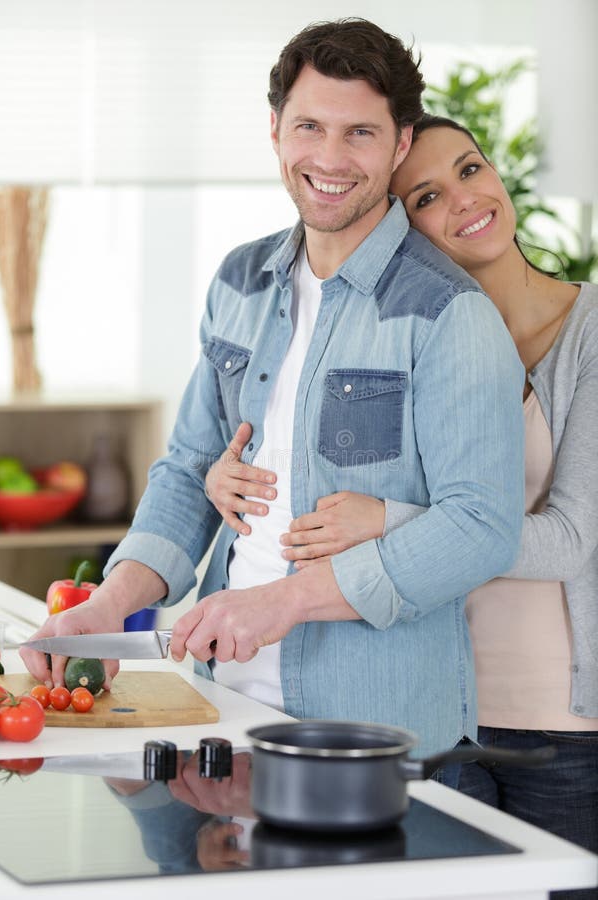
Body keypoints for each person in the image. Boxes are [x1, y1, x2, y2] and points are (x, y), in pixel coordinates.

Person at [20, 22, 525, 762]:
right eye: (308, 126)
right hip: (220, 700)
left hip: (377, 733)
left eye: (359, 132)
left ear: (400, 144)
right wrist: (107, 604)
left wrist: (282, 602)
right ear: (275, 129)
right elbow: (189, 469)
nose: (328, 157)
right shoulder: (240, 281)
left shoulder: (449, 313)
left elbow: (481, 525)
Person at [210, 115, 597, 888]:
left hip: (562, 725)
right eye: (426, 195)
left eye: (471, 169)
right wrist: (228, 475)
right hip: (431, 712)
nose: (464, 200)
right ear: (396, 221)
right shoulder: (411, 332)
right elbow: (310, 462)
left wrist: (392, 522)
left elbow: (571, 540)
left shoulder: (586, 334)